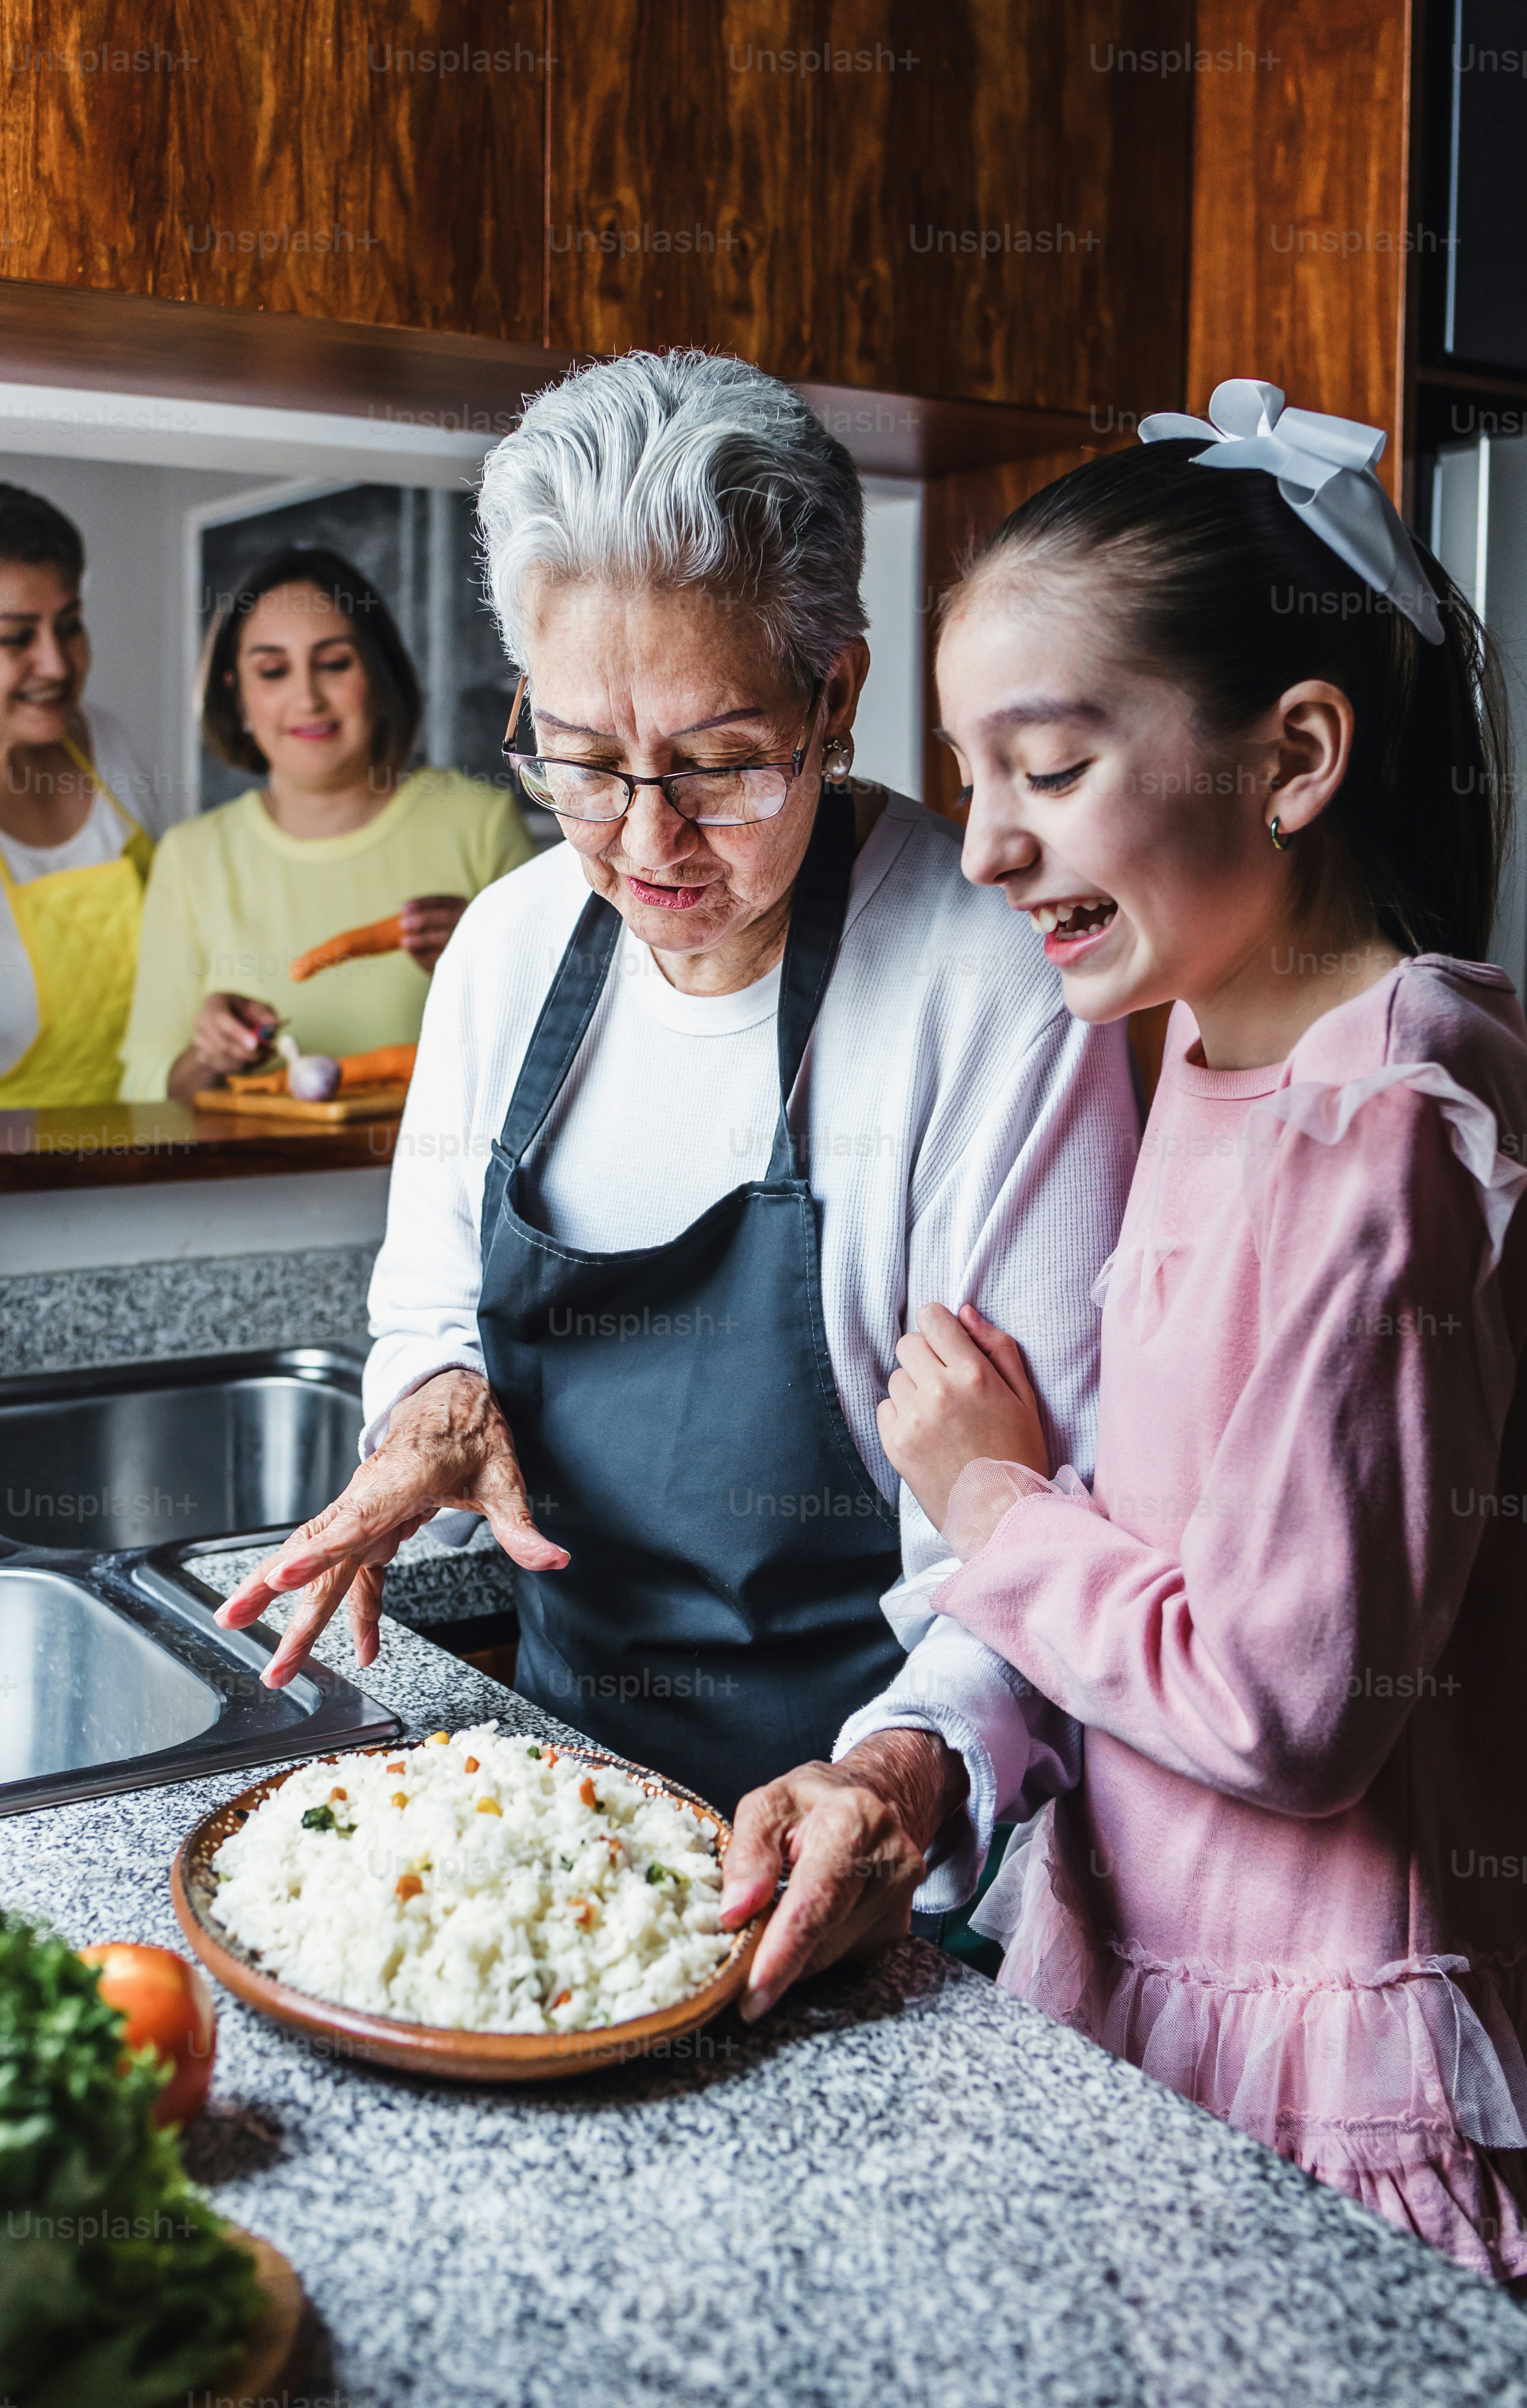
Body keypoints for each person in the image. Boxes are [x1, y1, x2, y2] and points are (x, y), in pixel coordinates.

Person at [729, 380, 1527, 2280]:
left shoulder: (1388, 1132)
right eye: (968, 772)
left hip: (1328, 2080)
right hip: (1152, 1998)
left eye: (1050, 766)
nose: (987, 846)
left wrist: (997, 1505)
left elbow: (1283, 1697)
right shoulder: (1204, 1044)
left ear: (1296, 752)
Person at [214, 349, 1138, 1846]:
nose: (647, 840)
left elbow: (1042, 1527)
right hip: (566, 1809)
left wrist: (895, 1778)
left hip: (890, 1845)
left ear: (831, 695)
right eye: (579, 760)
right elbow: (428, 1314)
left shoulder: (989, 992)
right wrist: (436, 1408)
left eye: (716, 764)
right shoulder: (508, 952)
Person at [119, 545, 535, 1104]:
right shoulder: (191, 856)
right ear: (235, 695)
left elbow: (566, 1039)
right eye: (272, 671)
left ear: (380, 678)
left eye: (335, 663)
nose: (307, 698)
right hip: (255, 1186)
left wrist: (484, 968)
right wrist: (209, 1058)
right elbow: (141, 1089)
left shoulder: (481, 824)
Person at [0, 479, 154, 1112]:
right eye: (16, 637)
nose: (56, 664)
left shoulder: (106, 742)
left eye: (71, 626)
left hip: (152, 1139)